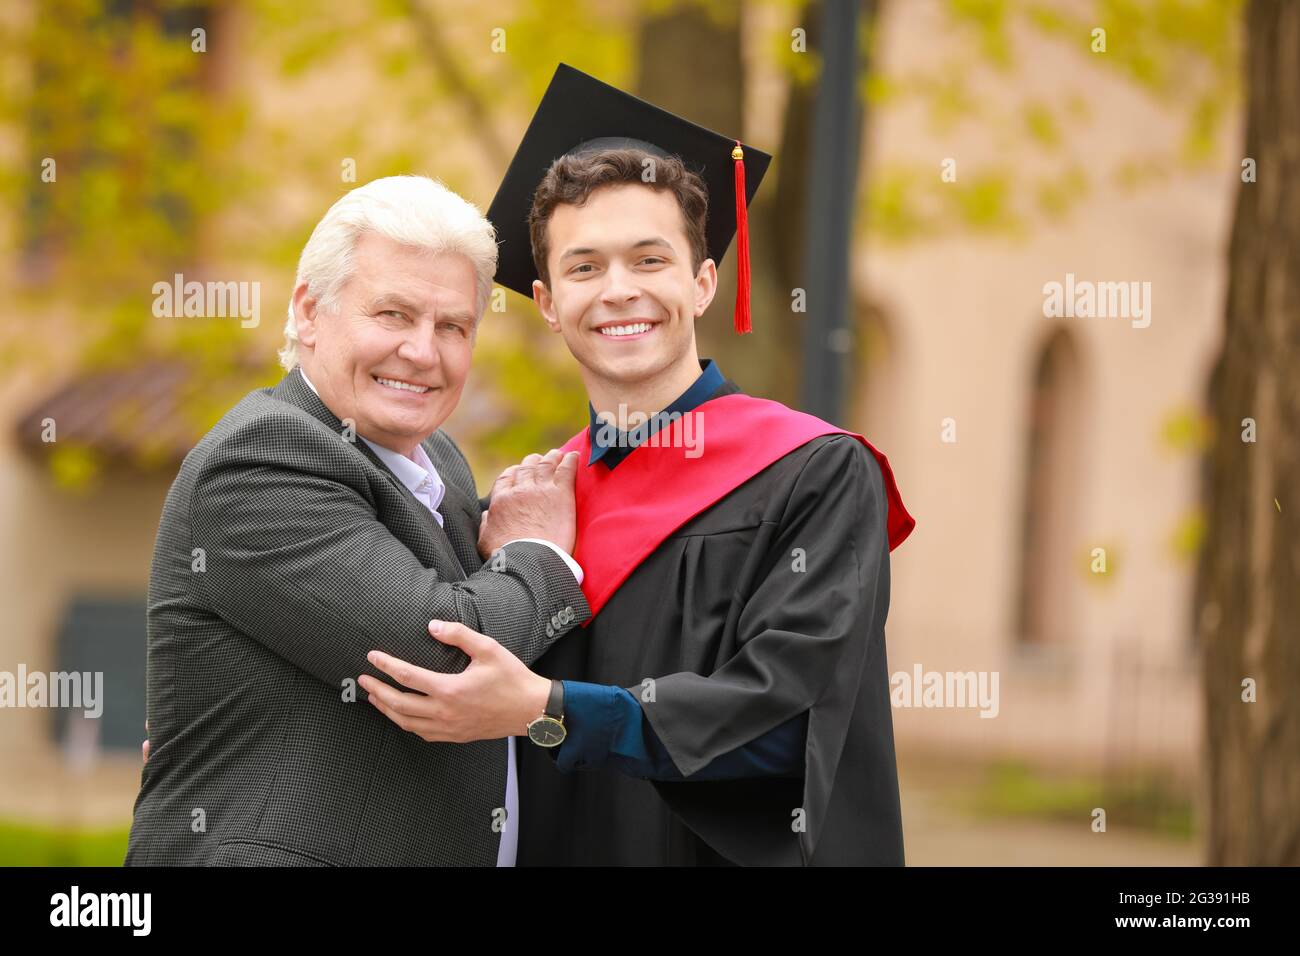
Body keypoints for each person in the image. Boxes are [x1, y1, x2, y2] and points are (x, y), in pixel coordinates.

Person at [363, 65, 915, 865]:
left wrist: (551, 708)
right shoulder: (526, 512)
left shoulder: (815, 477)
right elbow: (419, 689)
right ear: (549, 304)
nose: (618, 291)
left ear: (702, 283)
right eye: (584, 267)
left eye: (649, 261)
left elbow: (791, 727)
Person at [126, 175, 589, 866]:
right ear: (309, 312)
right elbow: (443, 657)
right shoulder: (263, 460)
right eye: (394, 315)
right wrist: (537, 553)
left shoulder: (439, 460)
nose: (423, 353)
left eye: (453, 326)